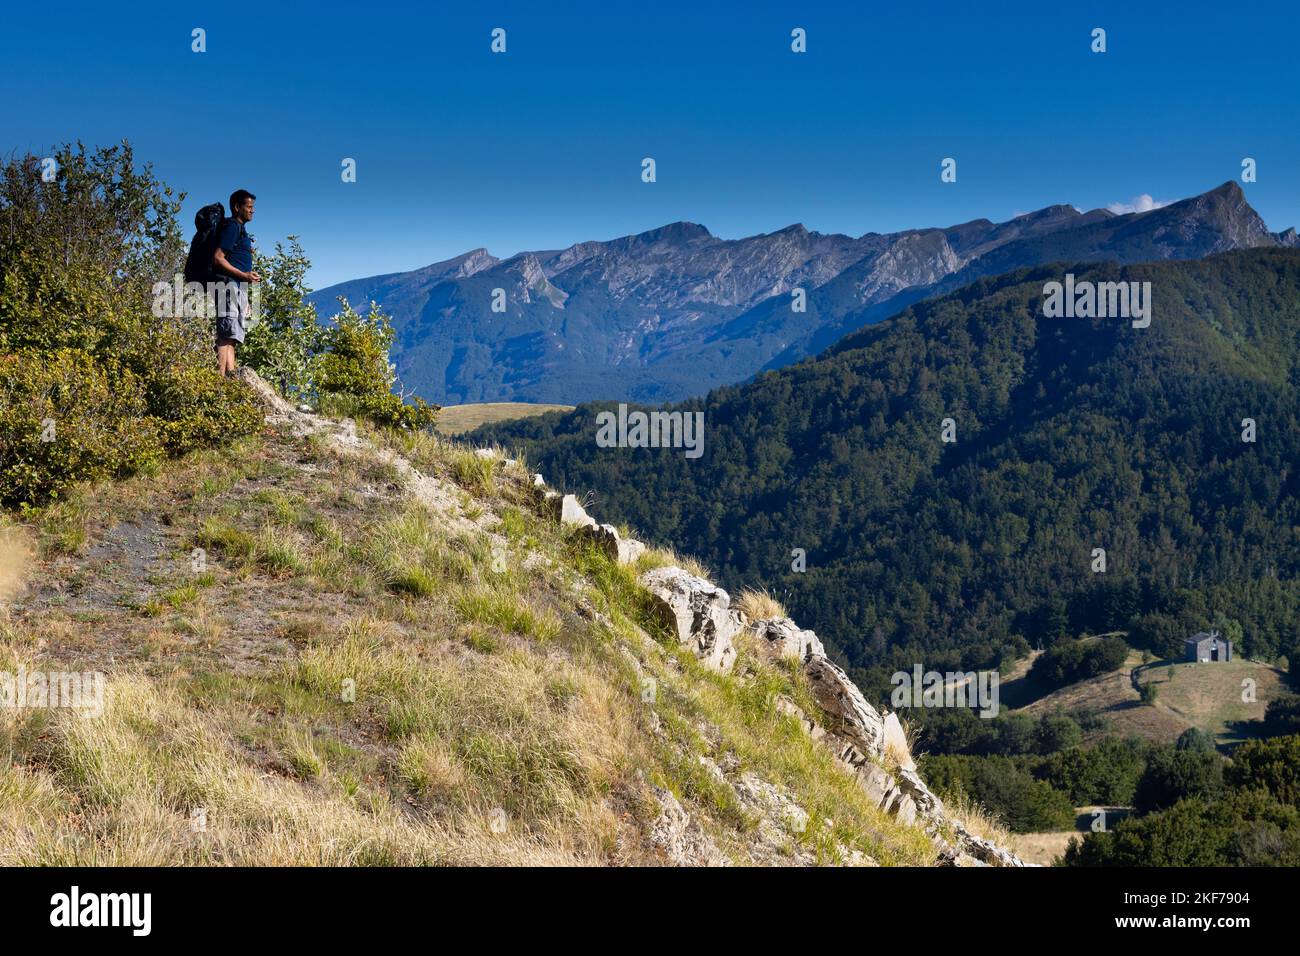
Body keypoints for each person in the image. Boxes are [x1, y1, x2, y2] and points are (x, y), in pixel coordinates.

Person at [211, 189, 262, 376]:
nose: (252, 210)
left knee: (231, 335)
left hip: (236, 287)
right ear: (236, 207)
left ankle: (230, 380)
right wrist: (243, 275)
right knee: (225, 335)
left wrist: (245, 291)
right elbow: (218, 258)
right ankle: (220, 382)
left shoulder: (240, 230)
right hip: (227, 285)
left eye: (253, 207)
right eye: (249, 207)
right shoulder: (232, 226)